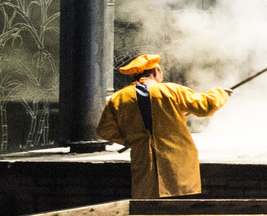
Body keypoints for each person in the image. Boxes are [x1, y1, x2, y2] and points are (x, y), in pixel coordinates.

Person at [95, 54, 231, 199]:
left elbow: (105, 130)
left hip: (144, 162)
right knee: (180, 207)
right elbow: (206, 106)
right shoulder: (171, 90)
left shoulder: (118, 98)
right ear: (155, 72)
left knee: (147, 208)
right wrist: (220, 93)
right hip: (178, 165)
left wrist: (132, 140)